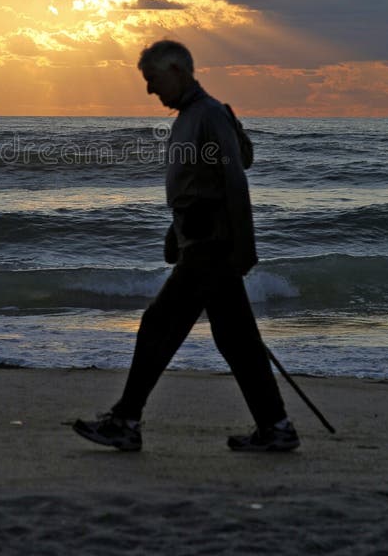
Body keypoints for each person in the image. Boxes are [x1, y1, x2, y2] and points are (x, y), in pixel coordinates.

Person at [73, 39, 299, 453]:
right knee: (237, 341)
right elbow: (194, 185)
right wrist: (174, 235)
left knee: (161, 325)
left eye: (152, 79)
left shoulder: (209, 115)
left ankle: (125, 420)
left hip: (212, 250)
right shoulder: (190, 117)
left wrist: (242, 249)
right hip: (201, 245)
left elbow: (235, 181)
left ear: (176, 70)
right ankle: (276, 426)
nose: (149, 90)